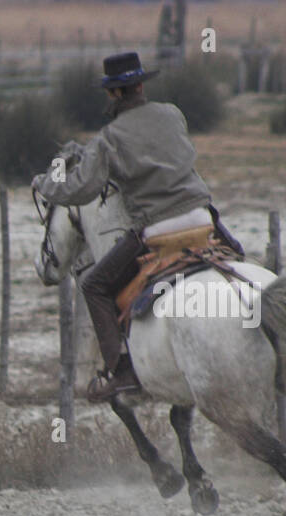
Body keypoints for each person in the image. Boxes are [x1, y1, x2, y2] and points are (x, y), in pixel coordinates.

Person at [31, 52, 243, 402]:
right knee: (237, 260)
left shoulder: (108, 139)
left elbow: (80, 189)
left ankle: (123, 372)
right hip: (205, 217)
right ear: (142, 85)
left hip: (158, 228)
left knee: (95, 286)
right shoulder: (174, 115)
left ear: (113, 94)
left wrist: (44, 184)